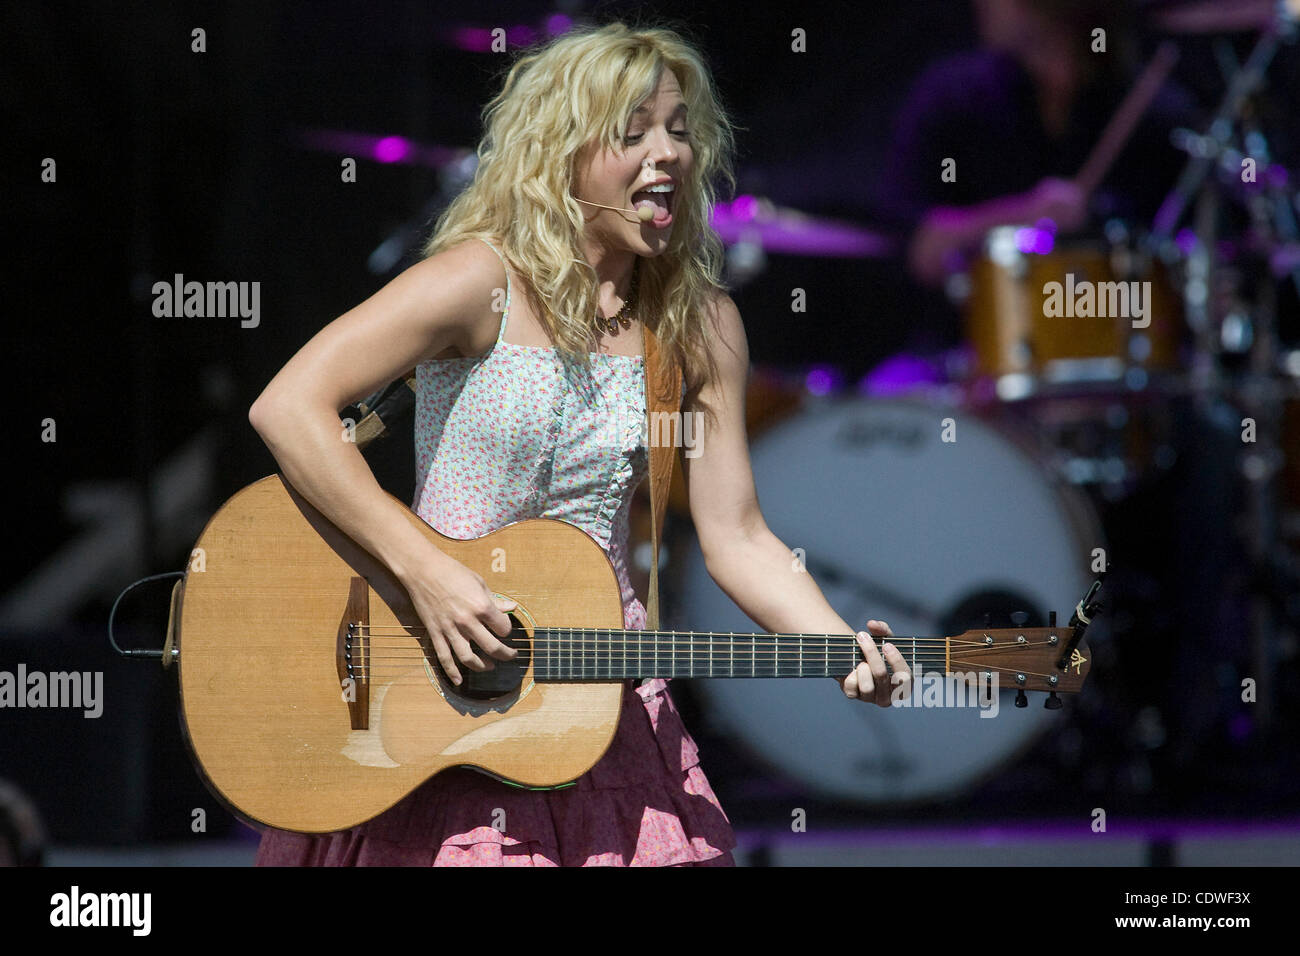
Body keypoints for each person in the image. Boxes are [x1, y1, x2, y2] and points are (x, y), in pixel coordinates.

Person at [246, 22, 910, 867]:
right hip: (433, 696)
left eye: (679, 129)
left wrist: (836, 644)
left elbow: (737, 536)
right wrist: (427, 574)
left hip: (603, 707)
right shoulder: (478, 281)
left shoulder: (702, 326)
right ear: (561, 154)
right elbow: (288, 408)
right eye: (632, 133)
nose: (667, 152)